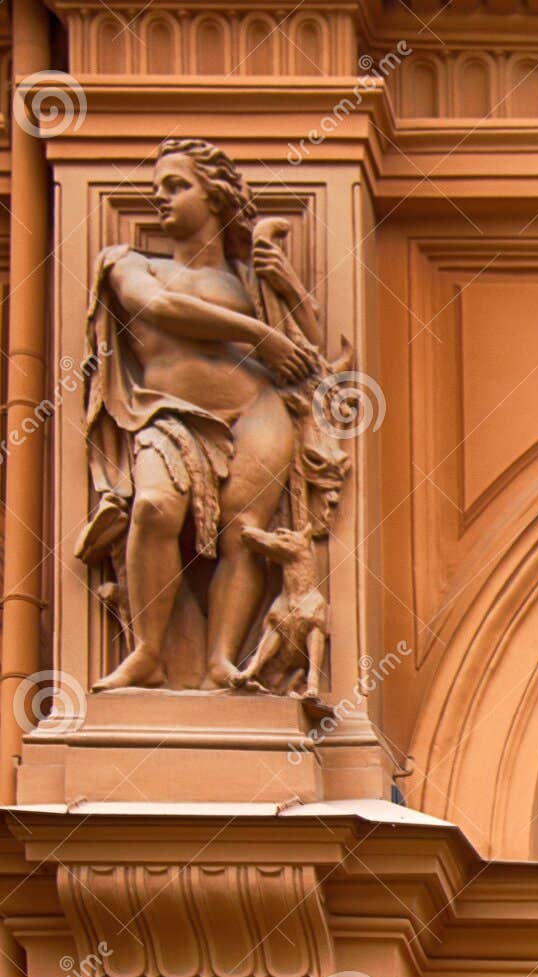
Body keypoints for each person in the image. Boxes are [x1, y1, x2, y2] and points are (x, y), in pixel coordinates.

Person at [78, 138, 322, 690]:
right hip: (165, 414)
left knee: (245, 533)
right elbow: (158, 308)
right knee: (156, 509)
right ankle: (148, 652)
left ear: (214, 198)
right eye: (158, 187)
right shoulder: (127, 263)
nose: (160, 198)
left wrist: (286, 284)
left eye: (176, 186)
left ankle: (219, 661)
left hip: (255, 409)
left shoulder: (249, 277)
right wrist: (256, 331)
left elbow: (309, 355)